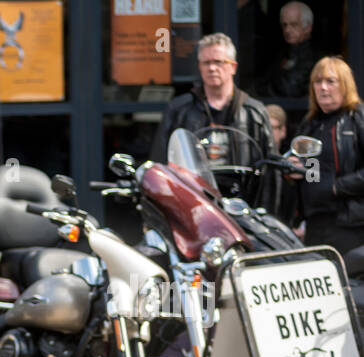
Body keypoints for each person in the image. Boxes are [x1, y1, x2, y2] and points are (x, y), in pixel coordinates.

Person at [150, 33, 275, 203]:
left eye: (219, 62)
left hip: (244, 206)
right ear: (199, 67)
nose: (212, 68)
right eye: (206, 63)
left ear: (233, 67)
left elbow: (270, 172)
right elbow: (160, 165)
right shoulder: (179, 110)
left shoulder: (254, 113)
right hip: (194, 204)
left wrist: (264, 213)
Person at [292, 57, 364, 255]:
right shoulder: (311, 124)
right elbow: (314, 172)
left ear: (345, 85)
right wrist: (298, 171)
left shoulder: (357, 118)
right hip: (316, 224)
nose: (323, 87)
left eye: (330, 81)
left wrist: (337, 187)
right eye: (317, 81)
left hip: (352, 224)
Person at [263, 2, 318, 100]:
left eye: (294, 24)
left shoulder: (317, 58)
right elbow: (264, 85)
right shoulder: (280, 54)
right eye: (284, 25)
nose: (287, 30)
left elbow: (291, 90)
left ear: (308, 28)